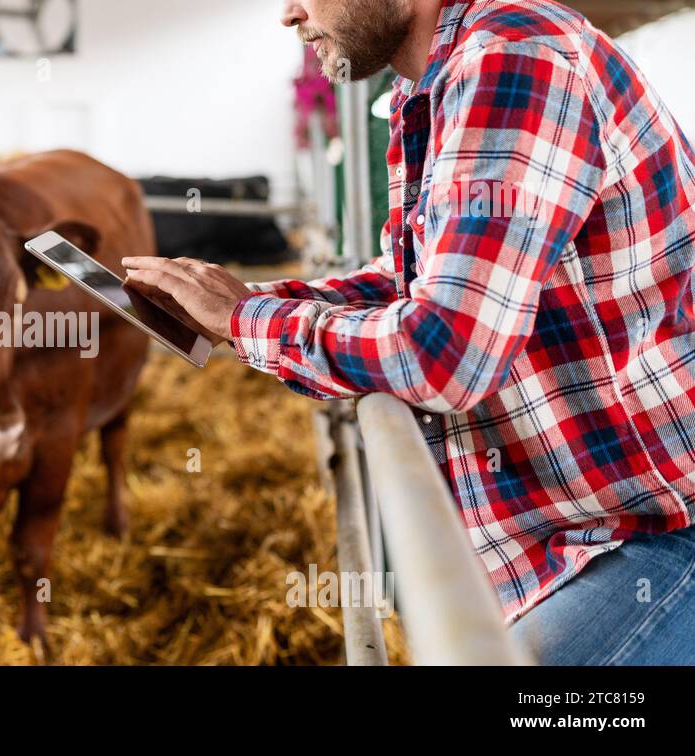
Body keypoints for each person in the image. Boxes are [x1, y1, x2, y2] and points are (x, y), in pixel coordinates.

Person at [123, 0, 695, 665]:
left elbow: (445, 355)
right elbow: (417, 280)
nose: (290, 13)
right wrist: (245, 304)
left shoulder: (513, 58)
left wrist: (248, 323)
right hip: (576, 523)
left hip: (657, 528)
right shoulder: (433, 80)